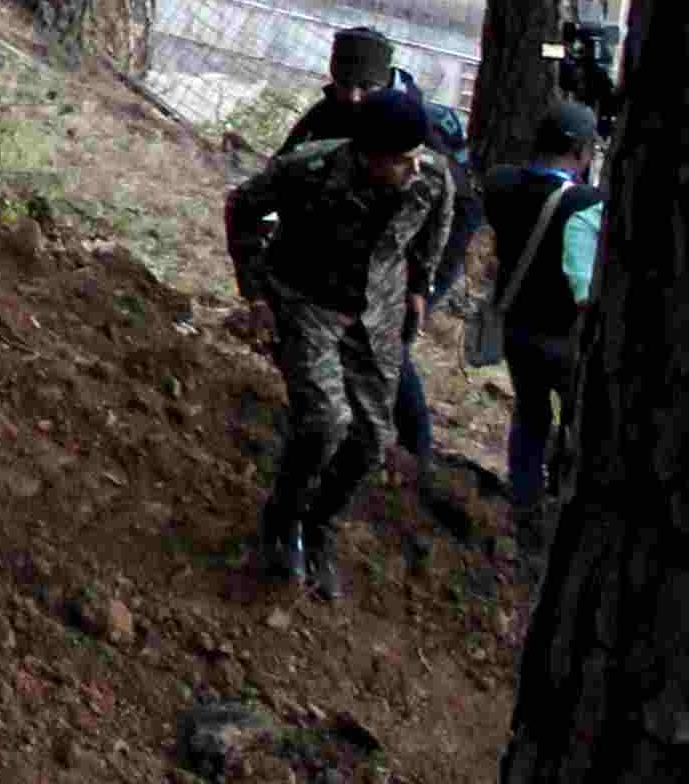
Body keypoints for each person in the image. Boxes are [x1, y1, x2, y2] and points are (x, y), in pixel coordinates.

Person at [223, 92, 462, 601]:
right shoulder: (309, 169)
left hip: (376, 314)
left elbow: (435, 225)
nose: (412, 168)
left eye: (415, 156)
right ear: (368, 154)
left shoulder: (430, 174)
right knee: (325, 421)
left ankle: (320, 526)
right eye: (399, 160)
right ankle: (283, 522)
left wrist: (419, 286)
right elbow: (241, 208)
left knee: (372, 440)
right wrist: (255, 295)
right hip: (306, 301)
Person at [284, 33, 472, 462]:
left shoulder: (413, 125)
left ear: (384, 81)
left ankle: (414, 452)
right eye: (343, 85)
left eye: (364, 87)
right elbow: (288, 170)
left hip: (423, 248)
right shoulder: (326, 115)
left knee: (387, 344)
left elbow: (452, 212)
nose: (352, 97)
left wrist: (420, 284)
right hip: (358, 250)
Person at [475, 98, 605, 541]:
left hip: (515, 326)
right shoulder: (587, 204)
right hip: (566, 336)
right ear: (581, 151)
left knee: (530, 415)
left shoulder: (500, 183)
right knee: (579, 422)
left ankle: (524, 505)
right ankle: (564, 506)